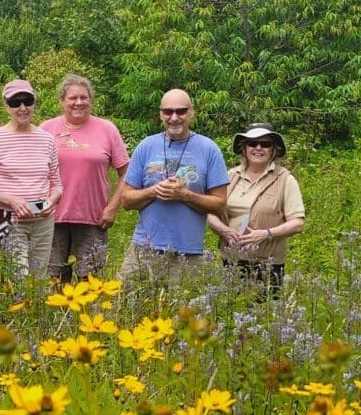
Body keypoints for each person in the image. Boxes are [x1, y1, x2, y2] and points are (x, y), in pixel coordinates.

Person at [119, 88, 229, 290]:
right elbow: (126, 200)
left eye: (181, 111)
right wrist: (154, 191)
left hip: (187, 253)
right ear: (161, 113)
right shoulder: (146, 146)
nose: (174, 117)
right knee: (129, 308)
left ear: (191, 112)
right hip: (144, 248)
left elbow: (220, 204)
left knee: (183, 317)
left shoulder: (209, 149)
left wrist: (184, 195)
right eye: (168, 112)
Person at [41, 74, 130, 281]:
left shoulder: (107, 129)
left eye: (84, 97)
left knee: (89, 281)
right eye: (72, 98)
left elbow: (126, 172)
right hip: (52, 218)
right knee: (53, 280)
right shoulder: (46, 129)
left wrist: (112, 208)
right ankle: (59, 316)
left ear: (91, 100)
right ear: (62, 101)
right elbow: (33, 170)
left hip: (93, 219)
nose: (79, 102)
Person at [207, 122, 305, 297]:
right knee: (231, 311)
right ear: (244, 148)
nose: (258, 148)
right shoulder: (230, 176)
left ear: (273, 150)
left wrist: (265, 233)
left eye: (265, 144)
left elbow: (297, 223)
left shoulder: (285, 180)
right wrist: (225, 231)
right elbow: (210, 213)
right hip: (231, 259)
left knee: (263, 317)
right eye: (252, 143)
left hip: (267, 263)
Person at [0, 79, 63, 277]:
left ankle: (37, 308)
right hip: (9, 220)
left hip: (42, 219)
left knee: (39, 277)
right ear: (7, 106)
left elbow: (57, 184)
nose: (22, 108)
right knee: (18, 277)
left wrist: (51, 201)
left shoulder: (46, 139)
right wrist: (11, 200)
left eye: (28, 101)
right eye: (15, 103)